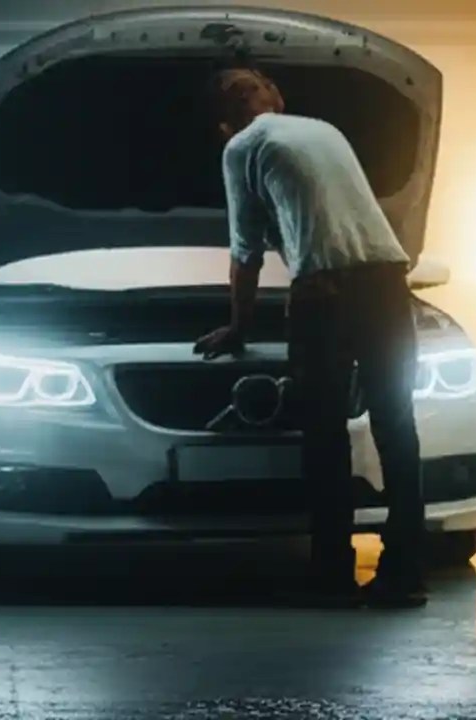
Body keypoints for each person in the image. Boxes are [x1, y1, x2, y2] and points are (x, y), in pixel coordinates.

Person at [194, 67, 427, 609]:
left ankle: (332, 574)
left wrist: (239, 327)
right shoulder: (325, 129)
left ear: (224, 125)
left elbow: (245, 251)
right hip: (388, 283)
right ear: (274, 97)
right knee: (396, 425)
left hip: (325, 293)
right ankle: (405, 573)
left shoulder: (240, 149)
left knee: (325, 434)